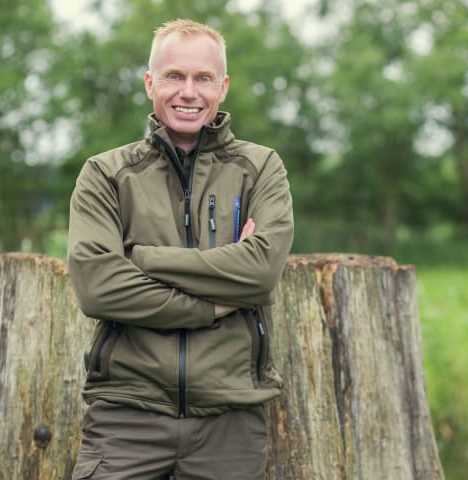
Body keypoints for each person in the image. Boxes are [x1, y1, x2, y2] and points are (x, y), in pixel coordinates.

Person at [66, 18, 294, 480]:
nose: (188, 92)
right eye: (174, 76)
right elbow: (98, 288)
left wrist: (144, 258)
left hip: (229, 420)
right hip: (126, 416)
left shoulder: (260, 168)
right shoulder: (105, 174)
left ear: (222, 87)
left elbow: (261, 272)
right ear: (150, 82)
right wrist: (214, 304)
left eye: (202, 78)